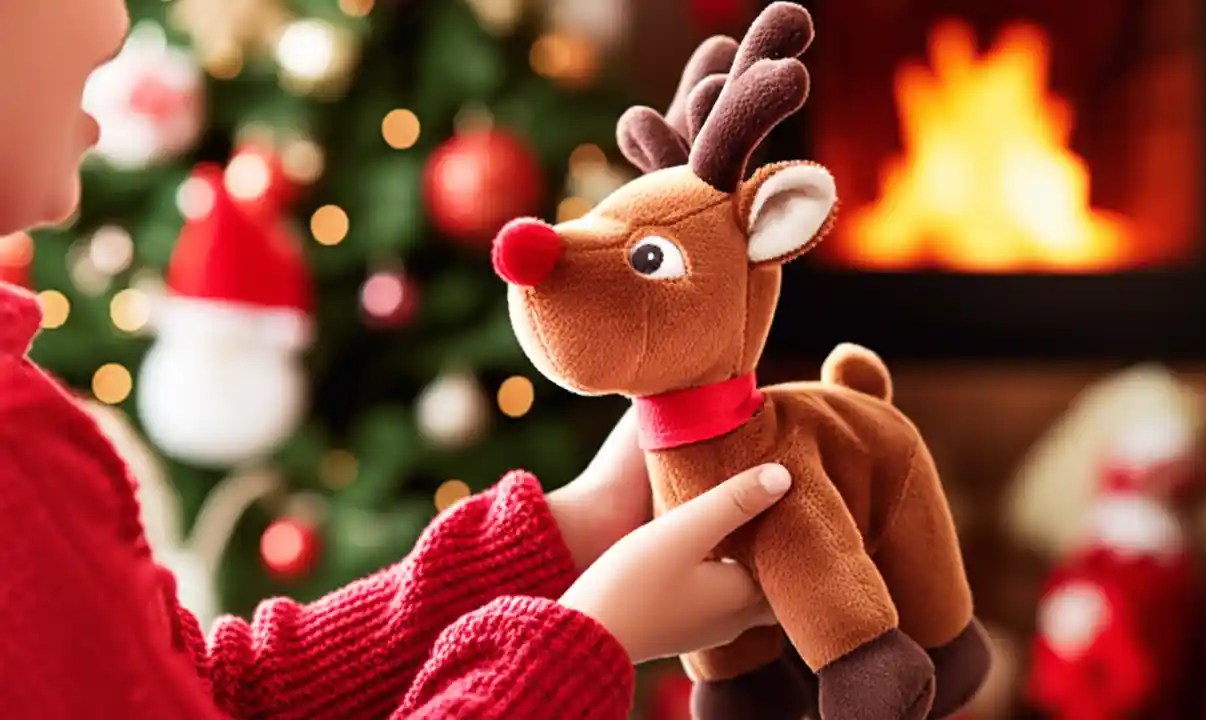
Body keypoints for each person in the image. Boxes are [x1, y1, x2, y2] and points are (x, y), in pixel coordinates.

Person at [0, 2, 791, 718]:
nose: (113, 19)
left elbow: (216, 696)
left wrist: (570, 532)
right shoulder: (14, 450)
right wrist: (584, 642)